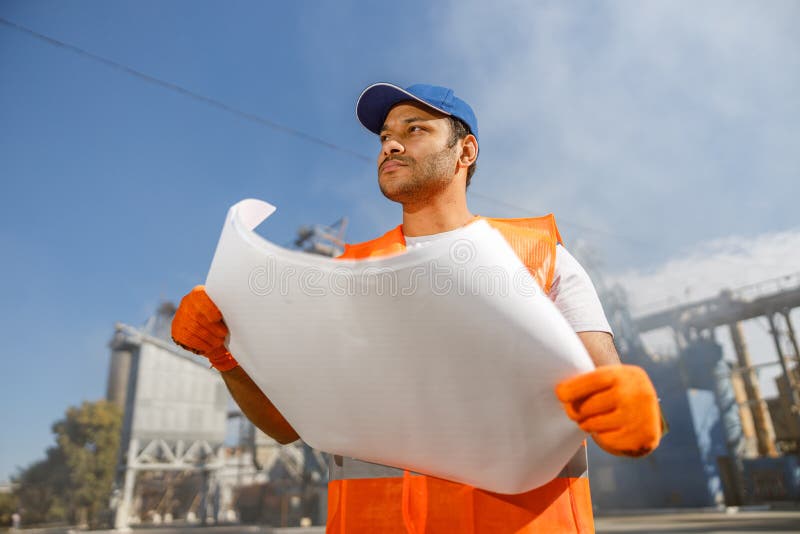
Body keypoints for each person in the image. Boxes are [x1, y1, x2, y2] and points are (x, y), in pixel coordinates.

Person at [172, 83, 663, 533]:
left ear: (465, 151)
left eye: (415, 129)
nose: (390, 144)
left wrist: (636, 409)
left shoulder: (541, 256)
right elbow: (285, 426)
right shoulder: (345, 273)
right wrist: (225, 355)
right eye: (385, 136)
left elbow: (607, 387)